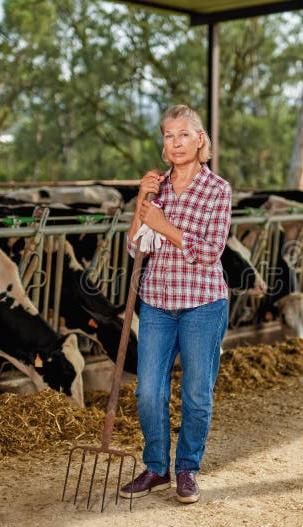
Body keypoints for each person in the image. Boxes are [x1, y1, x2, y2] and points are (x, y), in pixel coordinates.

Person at [119, 104, 231, 504]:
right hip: (157, 303)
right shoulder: (156, 186)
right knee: (148, 391)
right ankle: (156, 467)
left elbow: (211, 251)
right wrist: (141, 202)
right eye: (169, 135)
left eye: (184, 134)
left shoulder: (217, 190)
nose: (176, 143)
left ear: (200, 140)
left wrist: (166, 226)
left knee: (197, 393)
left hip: (203, 304)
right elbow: (135, 245)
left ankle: (187, 469)